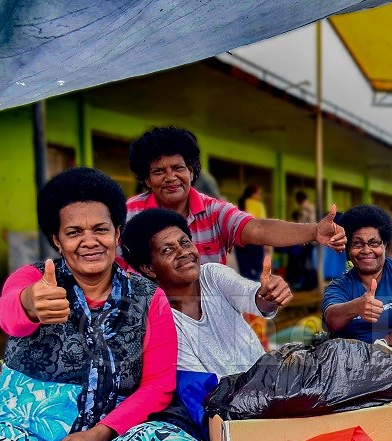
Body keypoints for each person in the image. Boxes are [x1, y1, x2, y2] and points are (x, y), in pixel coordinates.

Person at [0, 168, 200, 441]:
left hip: (108, 440)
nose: (89, 241)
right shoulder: (32, 279)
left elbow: (159, 385)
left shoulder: (150, 298)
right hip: (24, 439)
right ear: (57, 240)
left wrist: (97, 437)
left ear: (117, 233)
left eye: (100, 229)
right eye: (73, 232)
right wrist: (29, 304)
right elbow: (9, 314)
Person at [125, 127, 345, 266]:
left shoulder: (215, 211)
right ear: (146, 179)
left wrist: (314, 231)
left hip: (209, 319)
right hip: (150, 324)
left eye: (178, 168)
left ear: (191, 172)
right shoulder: (128, 214)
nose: (170, 177)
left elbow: (258, 229)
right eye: (159, 171)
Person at [120, 208, 293, 380]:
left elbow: (253, 297)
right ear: (148, 268)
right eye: (167, 250)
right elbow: (205, 388)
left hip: (269, 384)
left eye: (185, 242)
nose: (183, 252)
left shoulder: (212, 275)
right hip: (231, 403)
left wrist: (270, 295)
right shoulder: (160, 320)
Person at [323, 205, 392, 345]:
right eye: (357, 244)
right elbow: (331, 321)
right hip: (356, 360)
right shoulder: (340, 285)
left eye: (374, 243)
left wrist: (379, 346)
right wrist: (354, 307)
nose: (366, 250)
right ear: (348, 249)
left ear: (384, 245)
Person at [234, 184, 269, 281]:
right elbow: (262, 224)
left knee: (245, 272)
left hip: (239, 241)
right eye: (259, 194)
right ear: (252, 194)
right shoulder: (258, 205)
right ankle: (257, 293)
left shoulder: (239, 204)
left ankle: (246, 293)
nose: (260, 196)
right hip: (255, 241)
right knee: (258, 270)